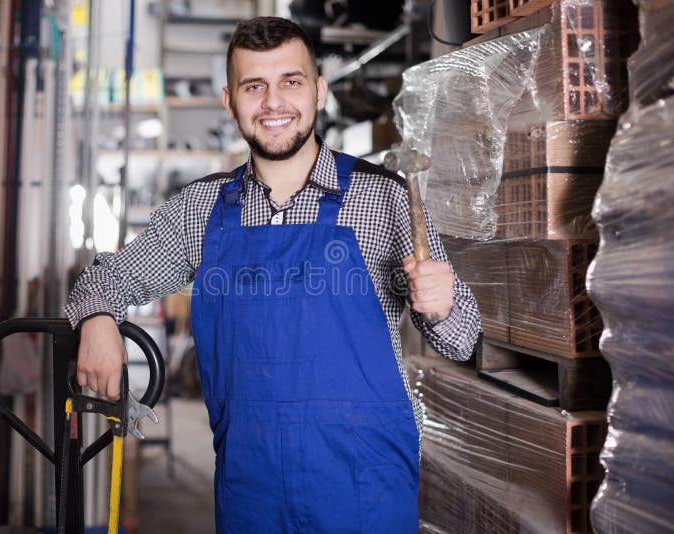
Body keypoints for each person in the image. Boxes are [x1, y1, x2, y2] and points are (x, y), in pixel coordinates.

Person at [66, 16, 481, 533]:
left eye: (291, 81)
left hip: (364, 492)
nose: (273, 102)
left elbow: (463, 341)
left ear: (319, 91)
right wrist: (97, 320)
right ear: (229, 100)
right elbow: (108, 278)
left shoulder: (385, 198)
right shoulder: (202, 209)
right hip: (251, 491)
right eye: (253, 86)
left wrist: (443, 305)